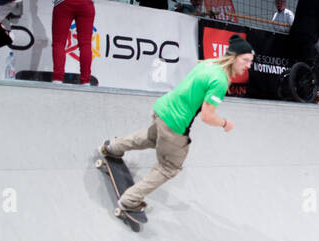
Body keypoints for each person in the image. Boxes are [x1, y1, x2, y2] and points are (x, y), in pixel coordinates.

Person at [100, 35, 253, 214]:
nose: (248, 65)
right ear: (233, 57)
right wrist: (225, 123)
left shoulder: (209, 63)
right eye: (246, 60)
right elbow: (207, 116)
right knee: (169, 168)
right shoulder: (219, 81)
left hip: (162, 108)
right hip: (175, 125)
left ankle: (112, 147)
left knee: (152, 137)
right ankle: (130, 200)